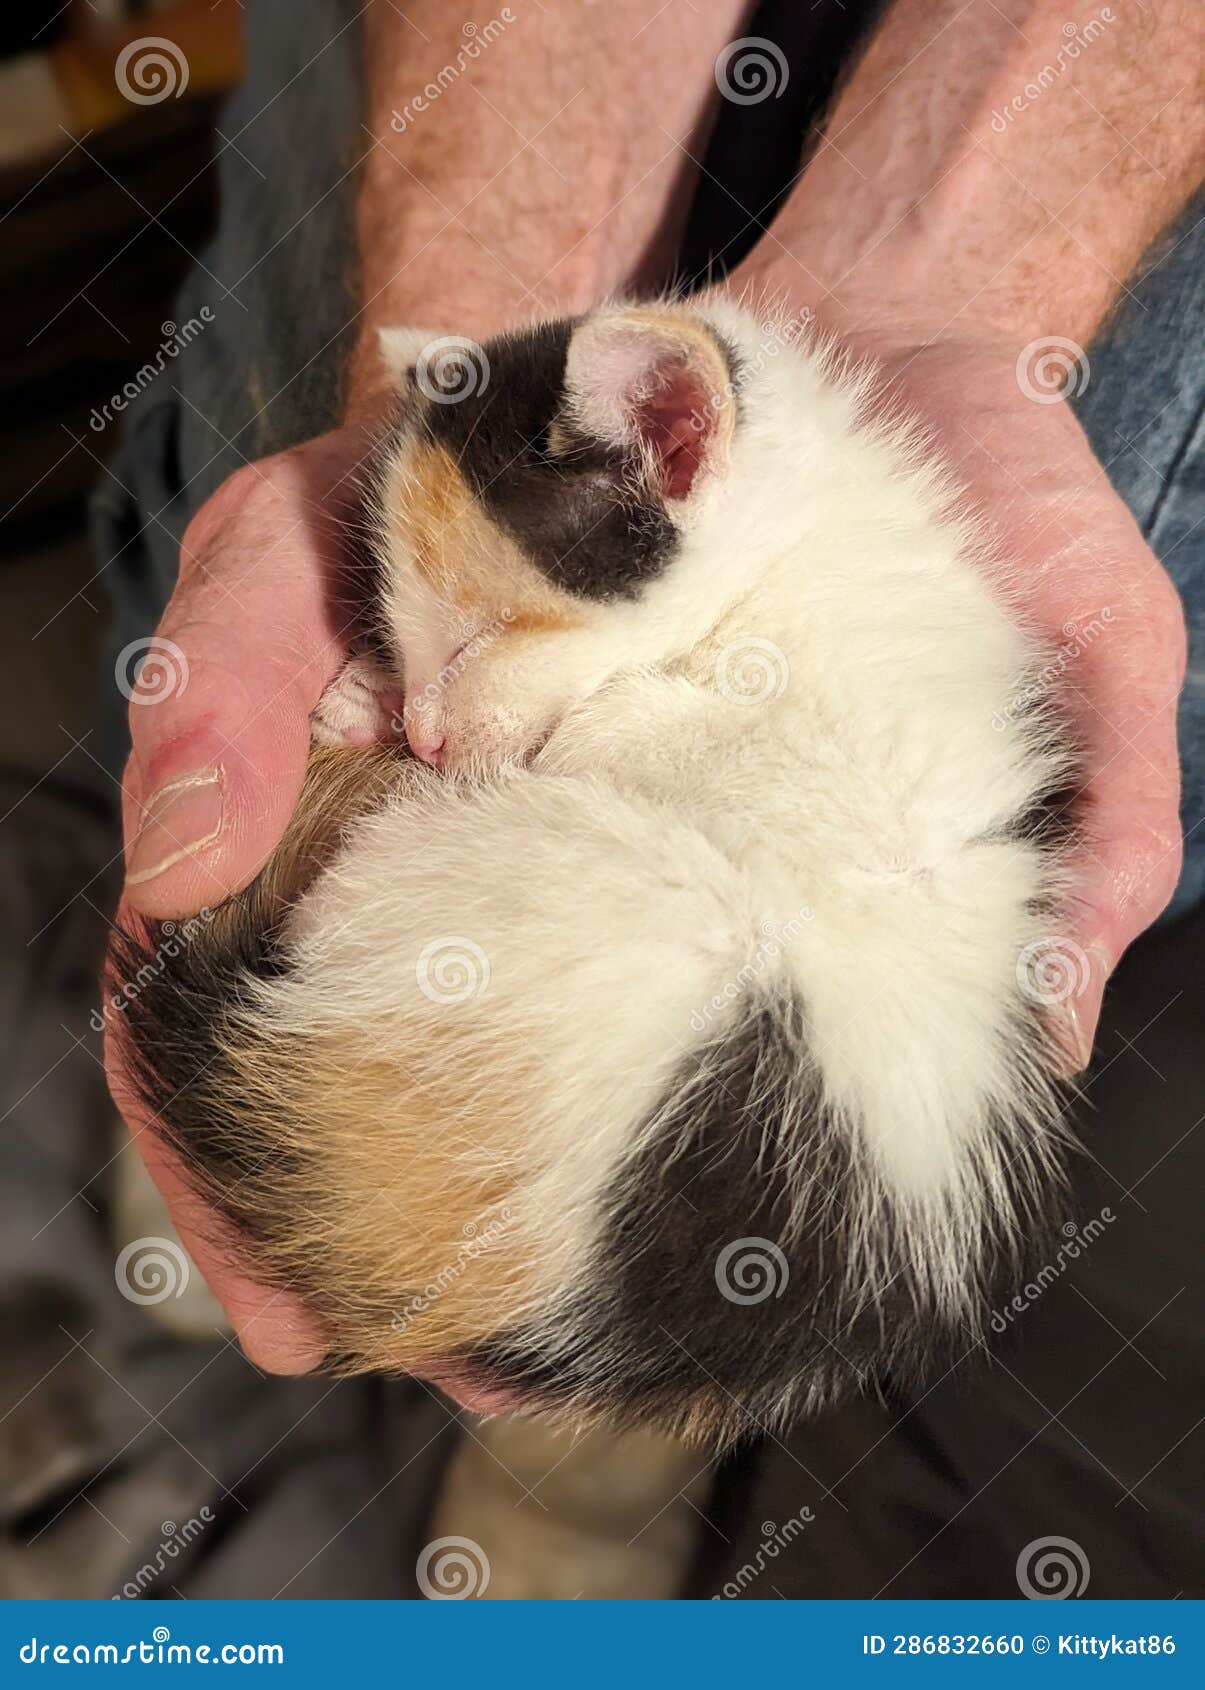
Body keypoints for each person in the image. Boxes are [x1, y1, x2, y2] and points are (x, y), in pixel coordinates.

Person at [97, 0, 1203, 1595]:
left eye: (472, 641)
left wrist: (948, 274)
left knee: (295, 662)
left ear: (679, 445)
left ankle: (434, 1274)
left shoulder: (787, 597)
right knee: (274, 574)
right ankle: (386, 1224)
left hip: (645, 1135)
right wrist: (464, 300)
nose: (435, 718)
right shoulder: (763, 574)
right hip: (662, 1182)